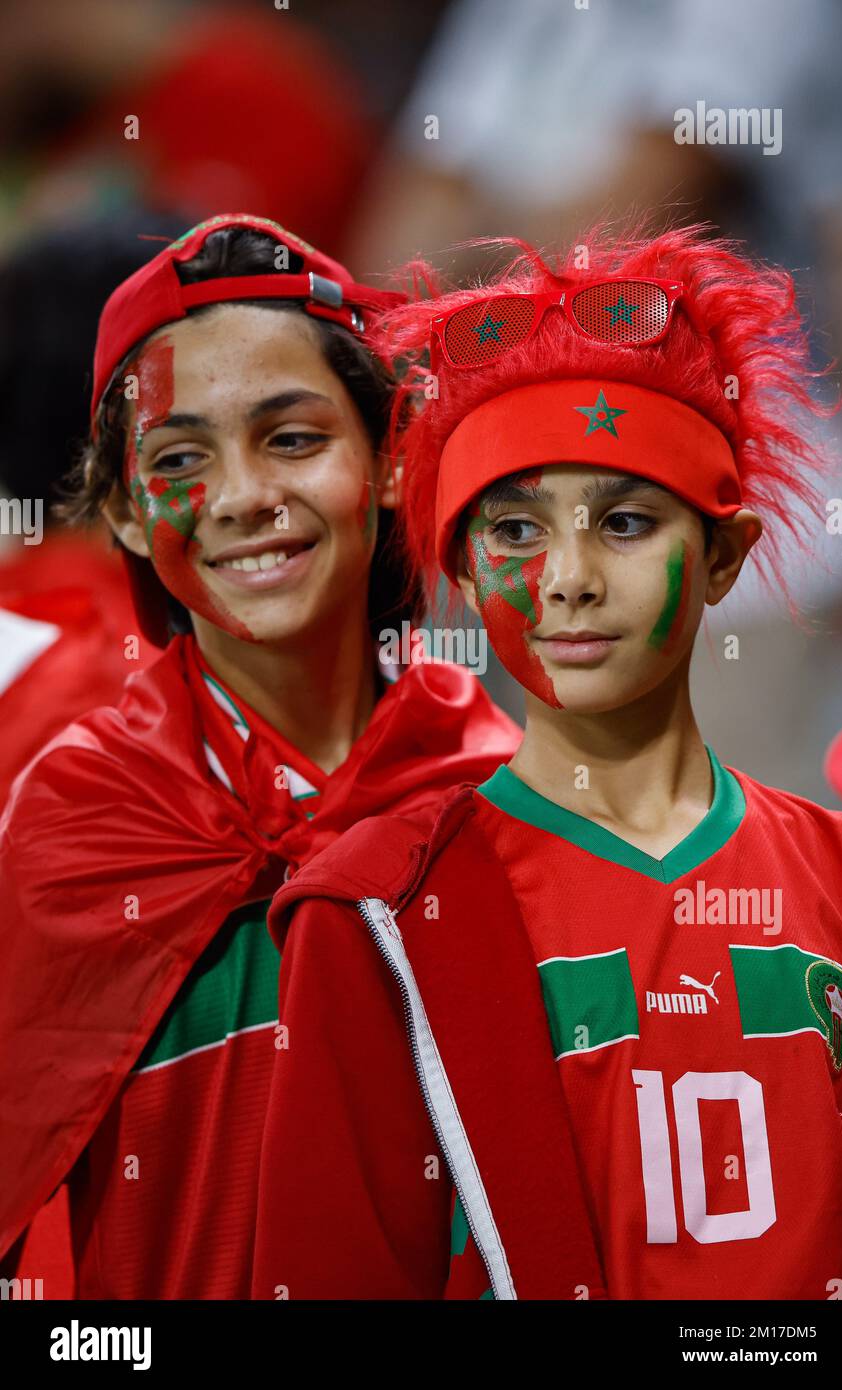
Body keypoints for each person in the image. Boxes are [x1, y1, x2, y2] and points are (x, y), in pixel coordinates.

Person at [253, 225, 842, 1300]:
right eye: (514, 531)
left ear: (724, 555)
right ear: (458, 562)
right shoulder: (377, 911)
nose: (568, 579)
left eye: (624, 521)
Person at [0, 213, 519, 1299]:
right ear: (130, 515)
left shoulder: (501, 797)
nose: (240, 497)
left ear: (389, 461)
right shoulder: (70, 817)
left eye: (291, 438)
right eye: (180, 459)